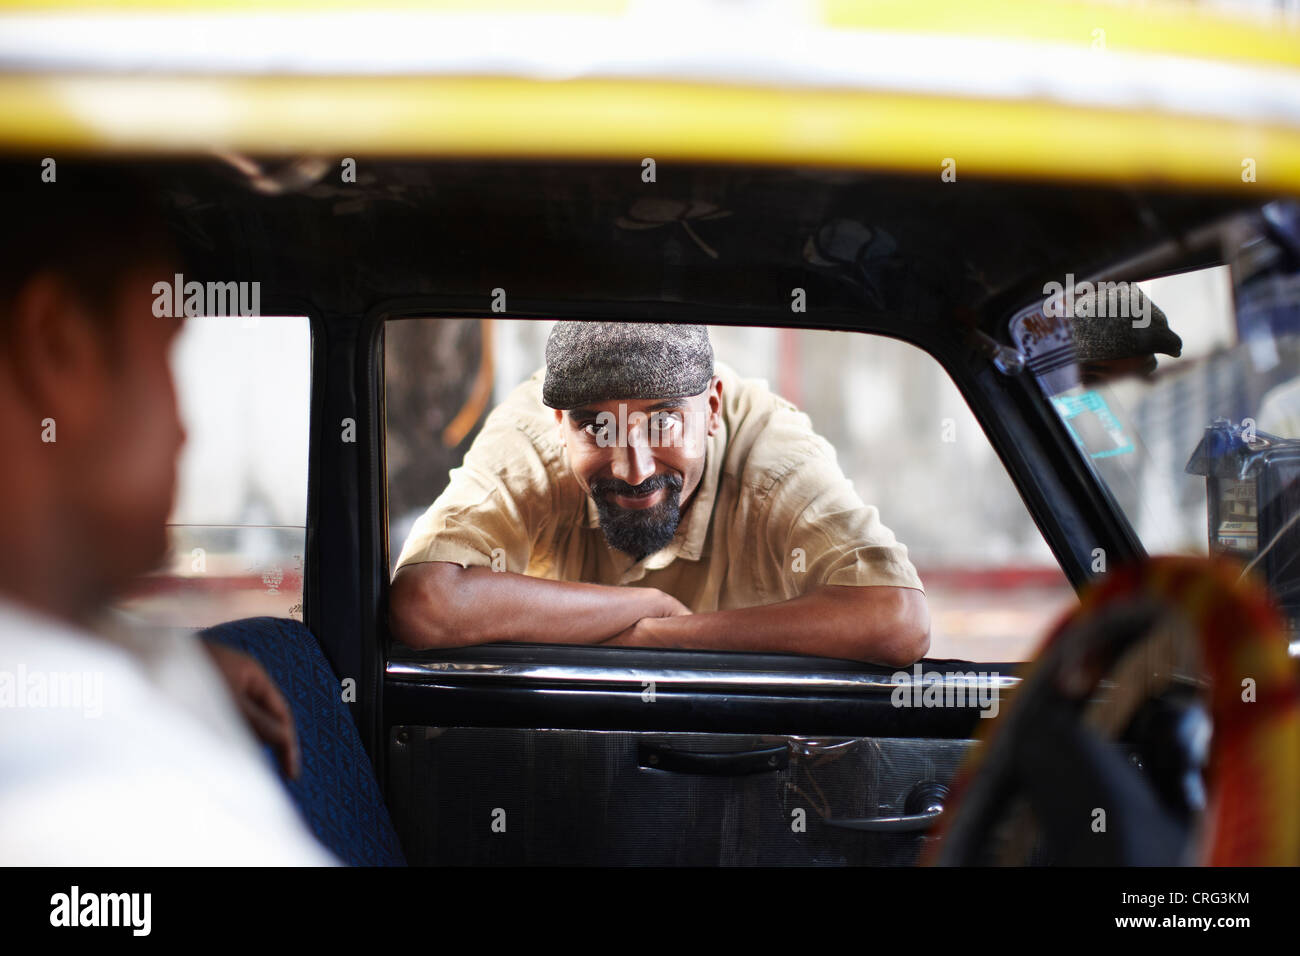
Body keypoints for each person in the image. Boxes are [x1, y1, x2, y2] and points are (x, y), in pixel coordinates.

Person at [0, 175, 334, 864]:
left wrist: (181, 657)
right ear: (58, 344)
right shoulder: (117, 814)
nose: (183, 430)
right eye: (166, 351)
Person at [390, 322, 929, 666]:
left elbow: (895, 620)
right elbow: (429, 604)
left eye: (664, 422)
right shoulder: (527, 436)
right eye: (597, 428)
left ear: (712, 408)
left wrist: (664, 637)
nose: (633, 468)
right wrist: (646, 606)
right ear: (558, 422)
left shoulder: (771, 453)